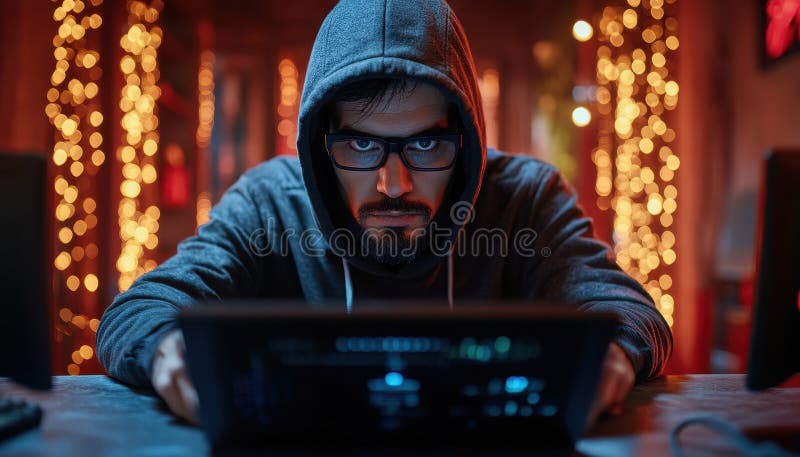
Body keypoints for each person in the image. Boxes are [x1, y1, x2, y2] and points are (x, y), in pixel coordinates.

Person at [96, 0, 672, 427]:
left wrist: (612, 353)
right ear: (321, 146)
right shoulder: (269, 200)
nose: (392, 183)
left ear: (466, 144)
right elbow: (140, 309)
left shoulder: (525, 197)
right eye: (360, 144)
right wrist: (169, 350)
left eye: (425, 144)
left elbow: (624, 306)